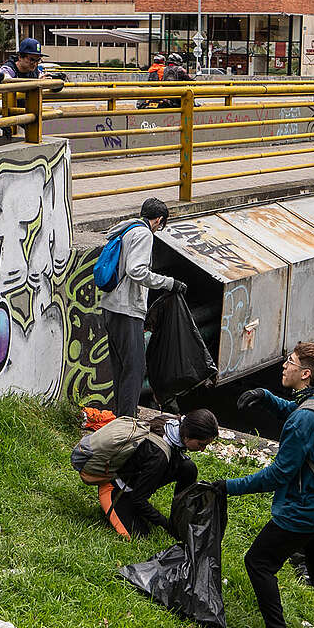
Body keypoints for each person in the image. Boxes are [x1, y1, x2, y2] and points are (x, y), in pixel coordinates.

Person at [222, 342, 314, 628]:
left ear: (305, 374)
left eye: (290, 362)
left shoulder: (303, 420)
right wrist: (265, 397)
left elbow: (279, 474)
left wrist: (229, 486)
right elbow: (300, 412)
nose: (284, 365)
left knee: (258, 562)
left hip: (302, 512)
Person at [99, 196, 184, 417]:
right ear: (159, 220)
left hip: (110, 306)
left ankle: (121, 415)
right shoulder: (144, 234)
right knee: (135, 368)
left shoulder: (126, 230)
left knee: (120, 366)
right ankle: (127, 419)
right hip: (126, 310)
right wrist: (169, 283)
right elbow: (136, 271)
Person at [75, 409, 220, 537]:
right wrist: (167, 525)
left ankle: (180, 517)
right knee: (140, 535)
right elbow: (138, 500)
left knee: (188, 468)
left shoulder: (173, 424)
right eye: (201, 444)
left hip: (138, 476)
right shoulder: (159, 457)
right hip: (115, 488)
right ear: (187, 436)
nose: (202, 449)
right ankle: (113, 505)